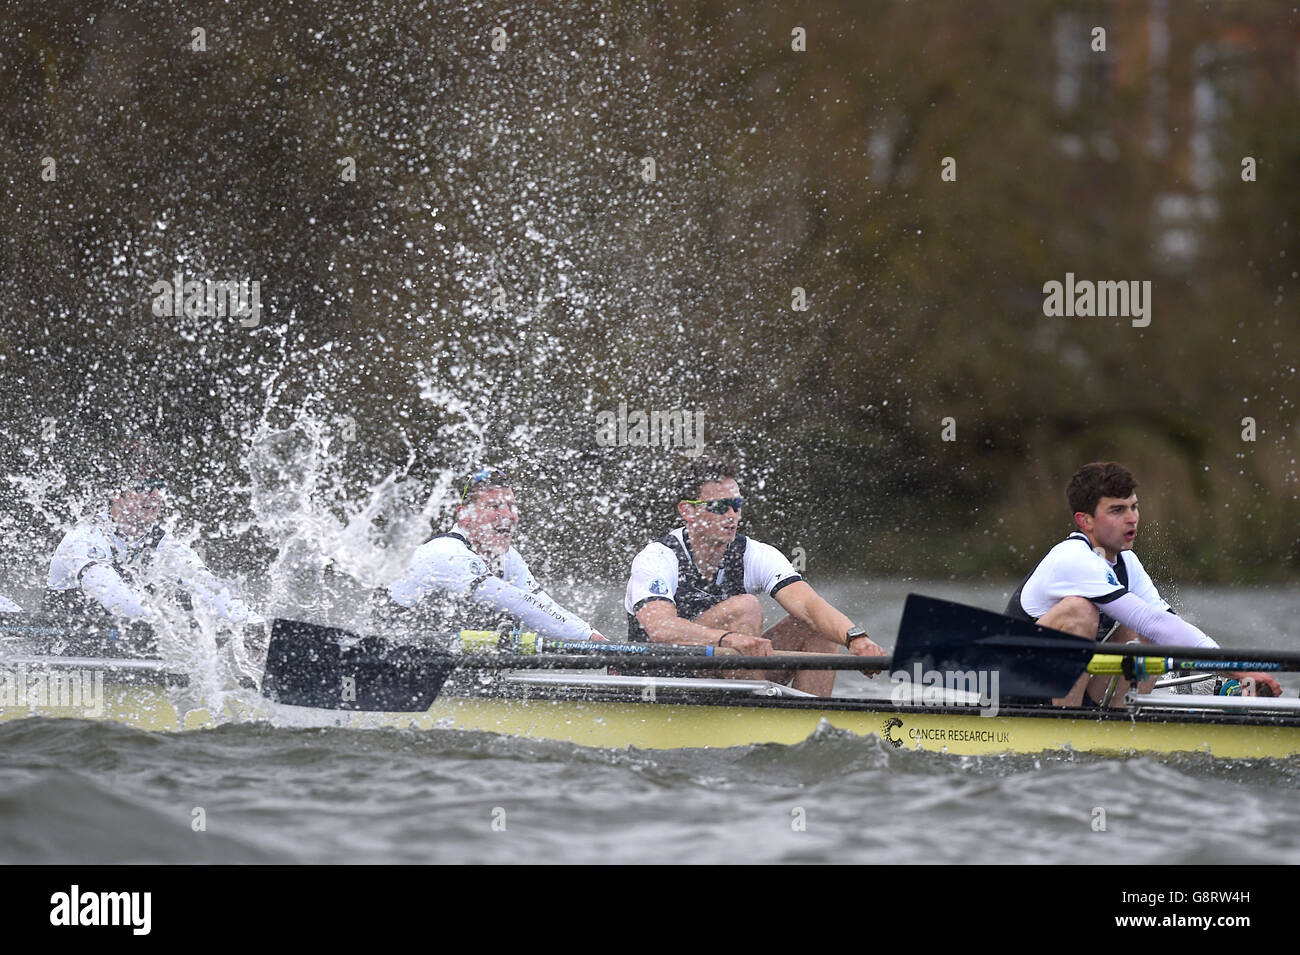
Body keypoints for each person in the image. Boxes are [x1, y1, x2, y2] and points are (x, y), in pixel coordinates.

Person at [1007, 461, 1281, 704]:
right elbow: (1152, 620)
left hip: (1065, 686)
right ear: (1085, 520)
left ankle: (1116, 725)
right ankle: (1065, 732)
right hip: (1012, 687)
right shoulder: (1072, 558)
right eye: (1116, 510)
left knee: (1148, 637)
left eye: (1133, 507)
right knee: (1080, 610)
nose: (1131, 518)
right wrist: (1241, 669)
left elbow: (1166, 626)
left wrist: (1235, 671)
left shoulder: (1127, 562)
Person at [624, 459, 886, 697]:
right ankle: (754, 712)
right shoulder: (657, 557)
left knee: (818, 626)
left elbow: (808, 606)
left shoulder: (756, 554)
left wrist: (855, 638)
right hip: (663, 678)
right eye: (719, 507)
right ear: (688, 511)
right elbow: (659, 628)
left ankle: (810, 722)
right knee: (745, 607)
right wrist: (727, 639)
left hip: (727, 670)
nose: (731, 516)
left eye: (736, 505)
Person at [44, 441, 263, 632]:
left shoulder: (162, 542)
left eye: (159, 487)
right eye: (145, 488)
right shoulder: (86, 537)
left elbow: (210, 589)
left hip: (122, 647)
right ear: (114, 492)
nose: (156, 496)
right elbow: (120, 602)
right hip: (70, 660)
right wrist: (177, 625)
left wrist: (256, 625)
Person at [379, 466, 605, 643]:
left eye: (511, 506)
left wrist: (595, 637)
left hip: (441, 661)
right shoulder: (445, 553)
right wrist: (588, 639)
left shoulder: (509, 557)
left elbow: (540, 603)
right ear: (464, 515)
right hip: (390, 665)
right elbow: (518, 604)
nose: (508, 515)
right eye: (495, 507)